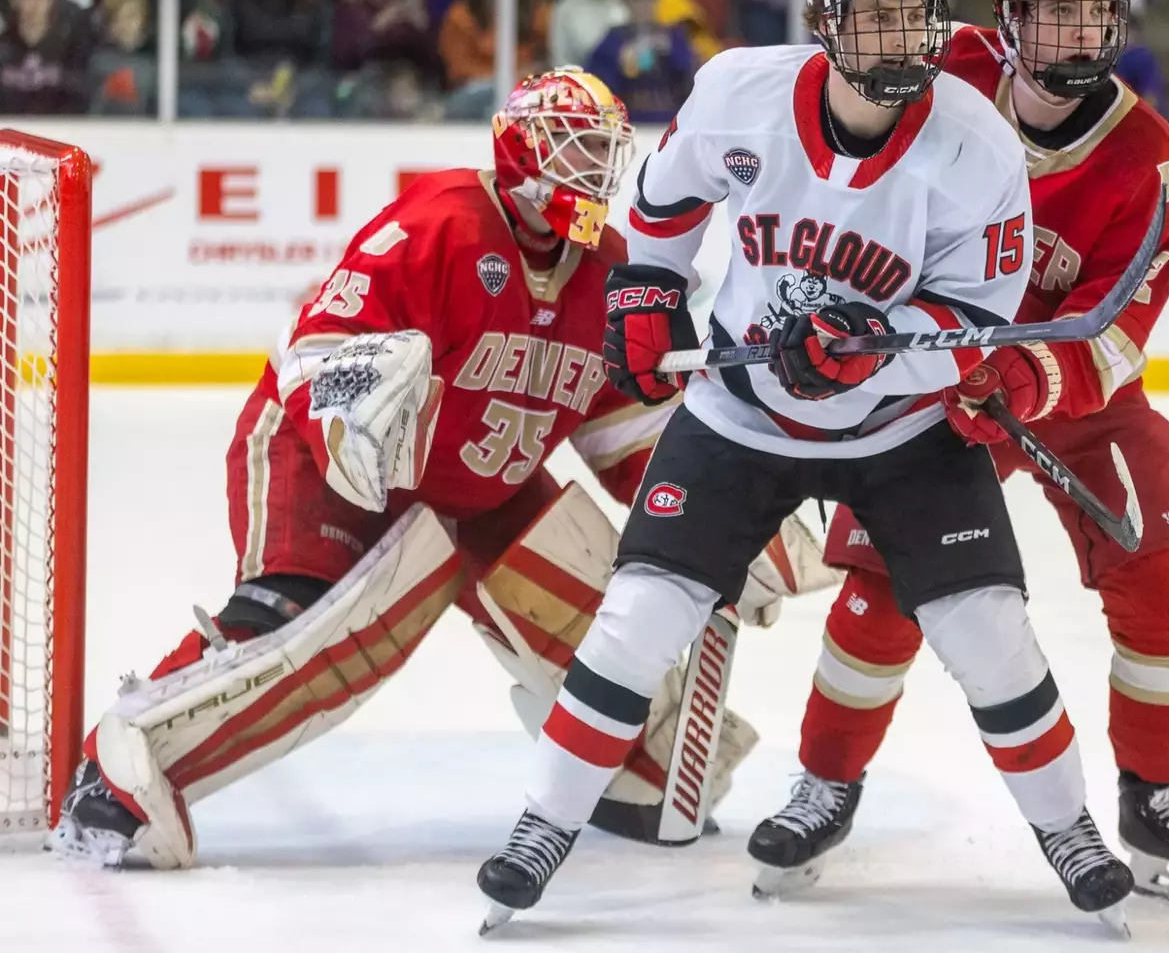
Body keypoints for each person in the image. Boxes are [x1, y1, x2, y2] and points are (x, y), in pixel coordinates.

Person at [475, 0, 1135, 933]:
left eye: (914, 18)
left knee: (989, 633)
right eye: (873, 21)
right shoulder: (741, 92)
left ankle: (1068, 829)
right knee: (641, 615)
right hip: (740, 410)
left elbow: (978, 321)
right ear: (823, 22)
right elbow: (662, 203)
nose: (899, 42)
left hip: (901, 426)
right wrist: (646, 293)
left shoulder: (975, 145)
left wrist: (877, 340)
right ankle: (541, 824)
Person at [47, 69, 826, 869]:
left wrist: (718, 520)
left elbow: (626, 435)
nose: (595, 170)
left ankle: (634, 769)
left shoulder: (606, 268)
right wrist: (348, 438)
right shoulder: (444, 223)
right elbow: (317, 354)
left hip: (485, 487)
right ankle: (121, 766)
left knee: (624, 634)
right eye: (577, 147)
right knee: (312, 623)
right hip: (340, 463)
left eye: (605, 152)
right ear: (522, 147)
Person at [757, 0, 1169, 909]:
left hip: (1067, 396)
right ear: (1006, 16)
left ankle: (1156, 796)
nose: (1079, 33)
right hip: (925, 374)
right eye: (1056, 11)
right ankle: (825, 779)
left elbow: (1119, 337)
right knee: (880, 588)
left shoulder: (1148, 165)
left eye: (1094, 11)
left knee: (1163, 577)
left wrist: (1030, 378)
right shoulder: (933, 72)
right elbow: (835, 168)